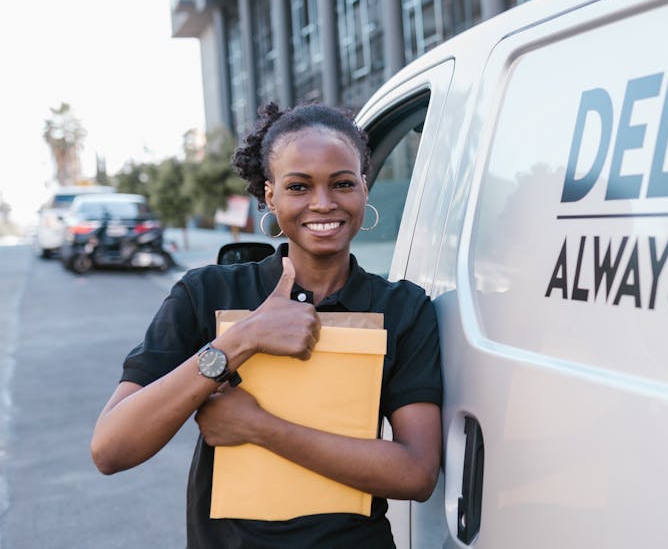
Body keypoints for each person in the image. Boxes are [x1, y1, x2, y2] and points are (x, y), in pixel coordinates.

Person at [90, 102, 443, 548]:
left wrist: (260, 427)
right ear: (270, 195)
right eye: (299, 186)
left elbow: (416, 473)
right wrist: (243, 338)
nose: (323, 203)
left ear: (364, 189)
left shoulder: (404, 308)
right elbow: (111, 449)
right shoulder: (208, 294)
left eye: (342, 183)